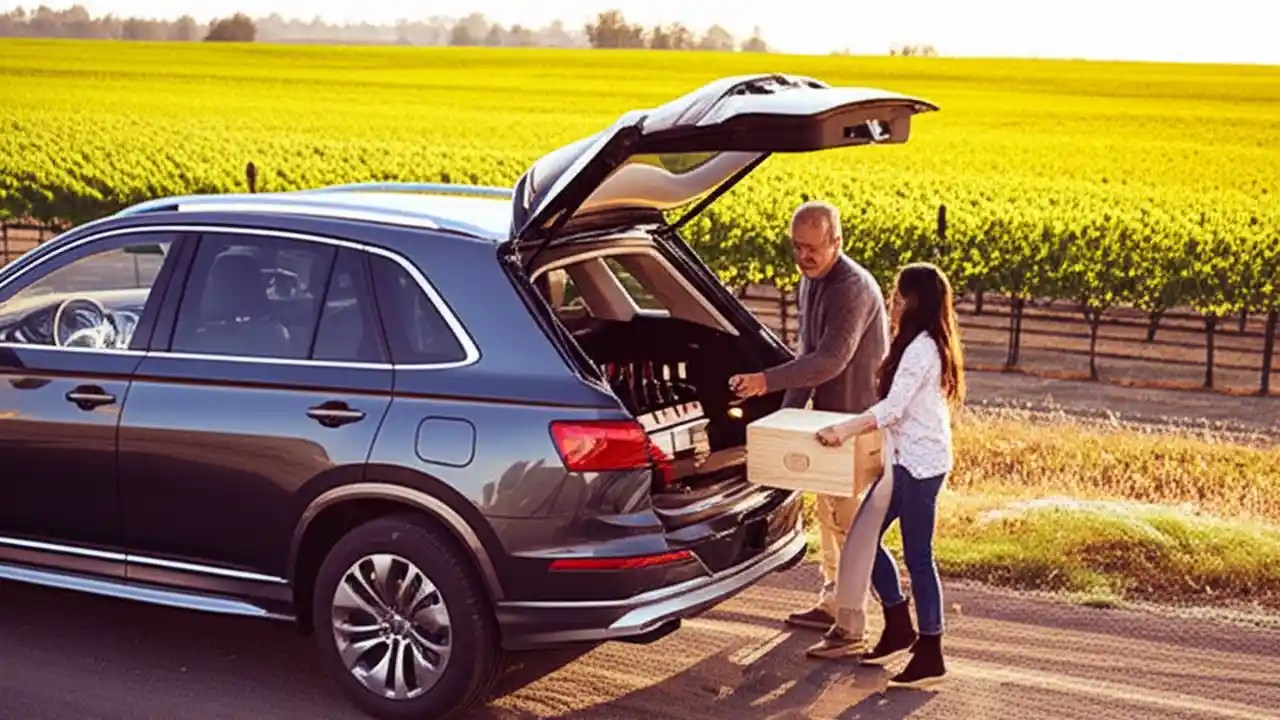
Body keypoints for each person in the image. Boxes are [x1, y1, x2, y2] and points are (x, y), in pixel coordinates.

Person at [728, 200, 889, 632]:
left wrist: (764, 381)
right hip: (828, 425)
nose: (803, 257)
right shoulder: (811, 281)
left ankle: (857, 614)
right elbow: (807, 355)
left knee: (850, 521)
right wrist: (785, 418)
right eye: (797, 247)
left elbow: (830, 360)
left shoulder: (851, 288)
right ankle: (834, 600)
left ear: (837, 241)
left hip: (858, 422)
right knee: (829, 514)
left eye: (813, 248)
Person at [807, 261, 966, 689]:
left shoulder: (923, 349)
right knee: (864, 537)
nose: (893, 303)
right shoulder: (914, 342)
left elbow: (893, 409)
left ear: (915, 301)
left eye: (898, 296)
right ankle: (898, 624)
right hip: (902, 462)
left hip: (921, 466)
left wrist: (844, 429)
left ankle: (931, 652)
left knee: (918, 556)